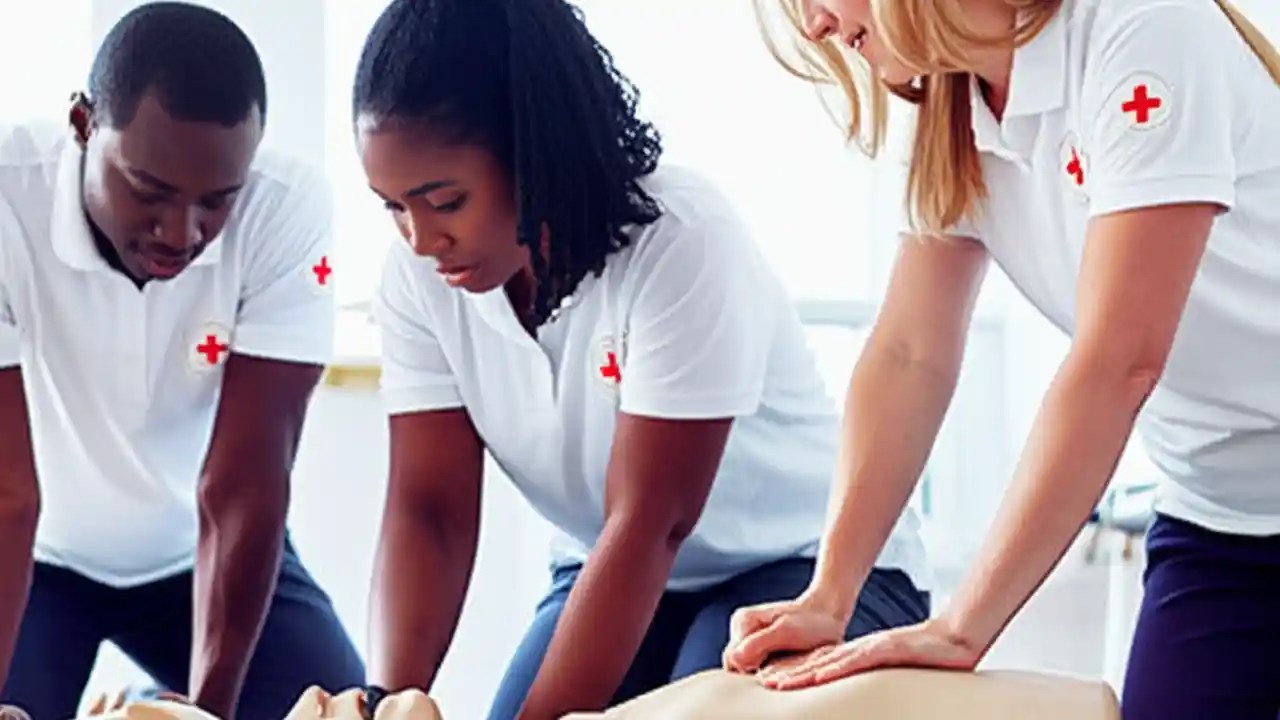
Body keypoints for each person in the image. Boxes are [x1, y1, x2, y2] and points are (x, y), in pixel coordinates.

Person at [349, 0, 931, 718]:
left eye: (444, 201)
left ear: (535, 151)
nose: (418, 238)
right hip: (605, 568)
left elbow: (651, 522)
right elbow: (431, 511)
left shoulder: (682, 240)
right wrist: (385, 700)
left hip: (801, 567)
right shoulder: (418, 279)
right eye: (392, 207)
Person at [721, 0, 1280, 718]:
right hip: (1221, 518)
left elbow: (1119, 363)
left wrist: (961, 628)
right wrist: (831, 594)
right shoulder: (951, 110)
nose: (815, 28)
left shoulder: (1145, 26)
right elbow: (909, 353)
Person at [0, 3, 364, 718]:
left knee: (343, 711)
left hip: (198, 557)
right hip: (42, 561)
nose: (182, 231)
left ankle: (146, 702)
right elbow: (7, 495)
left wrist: (206, 710)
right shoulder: (8, 196)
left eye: (215, 201)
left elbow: (245, 485)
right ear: (83, 124)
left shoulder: (286, 209)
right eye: (151, 190)